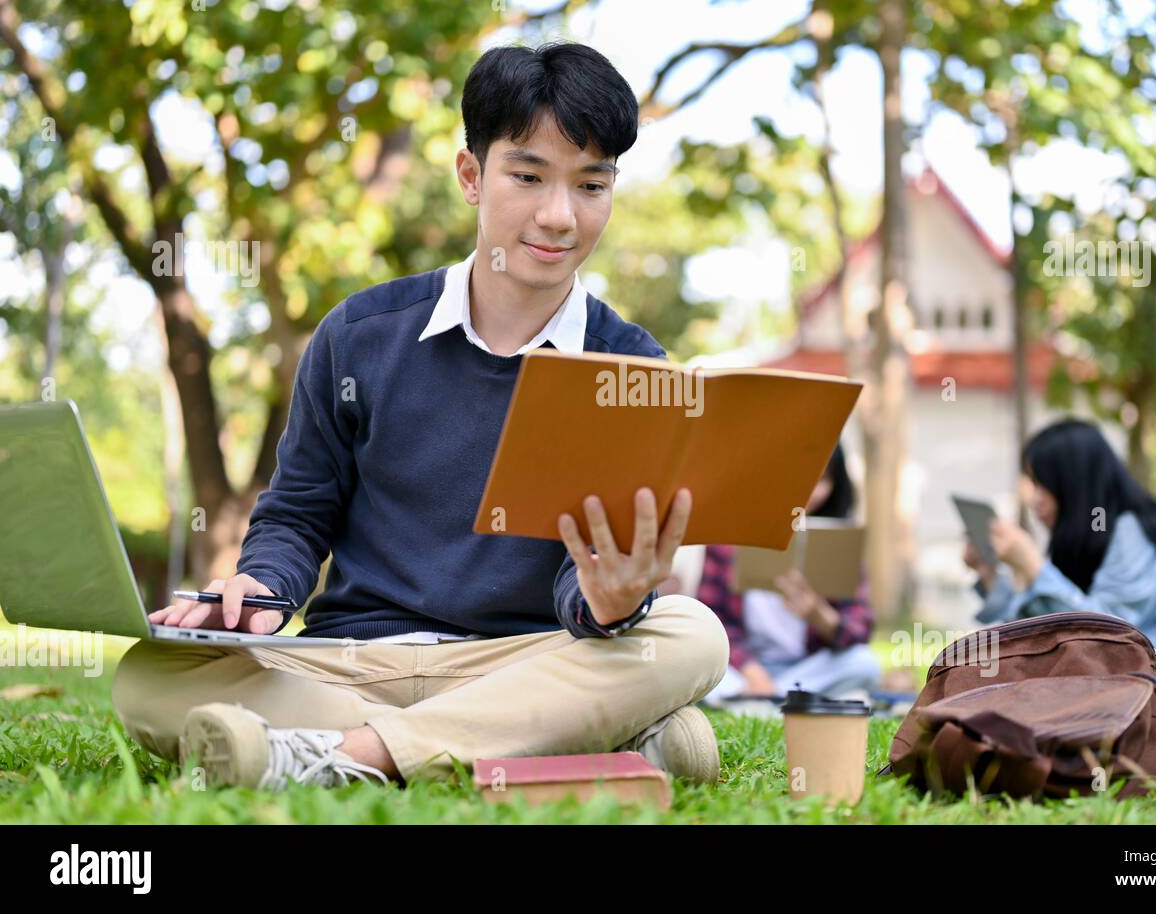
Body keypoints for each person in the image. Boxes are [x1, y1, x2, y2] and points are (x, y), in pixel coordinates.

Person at [111, 42, 729, 791]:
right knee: (148, 675)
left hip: (524, 659)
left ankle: (345, 761)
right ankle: (568, 750)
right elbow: (298, 515)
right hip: (351, 664)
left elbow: (589, 574)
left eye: (591, 185)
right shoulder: (359, 334)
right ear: (472, 176)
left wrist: (608, 602)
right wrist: (262, 592)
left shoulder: (631, 368)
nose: (560, 216)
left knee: (692, 635)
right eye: (528, 176)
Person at [964, 418, 1156, 725]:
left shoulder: (1135, 534)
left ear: (1073, 482)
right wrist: (991, 574)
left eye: (1042, 484)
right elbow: (1045, 636)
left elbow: (1105, 638)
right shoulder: (1093, 539)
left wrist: (1032, 565)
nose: (1036, 499)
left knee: (1058, 685)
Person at [698, 444, 882, 704]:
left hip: (807, 669)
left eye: (821, 480)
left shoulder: (840, 544)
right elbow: (712, 621)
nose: (807, 492)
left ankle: (758, 700)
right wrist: (752, 670)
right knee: (692, 665)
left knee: (864, 664)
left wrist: (821, 617)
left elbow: (860, 628)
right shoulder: (728, 542)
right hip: (742, 669)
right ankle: (776, 697)